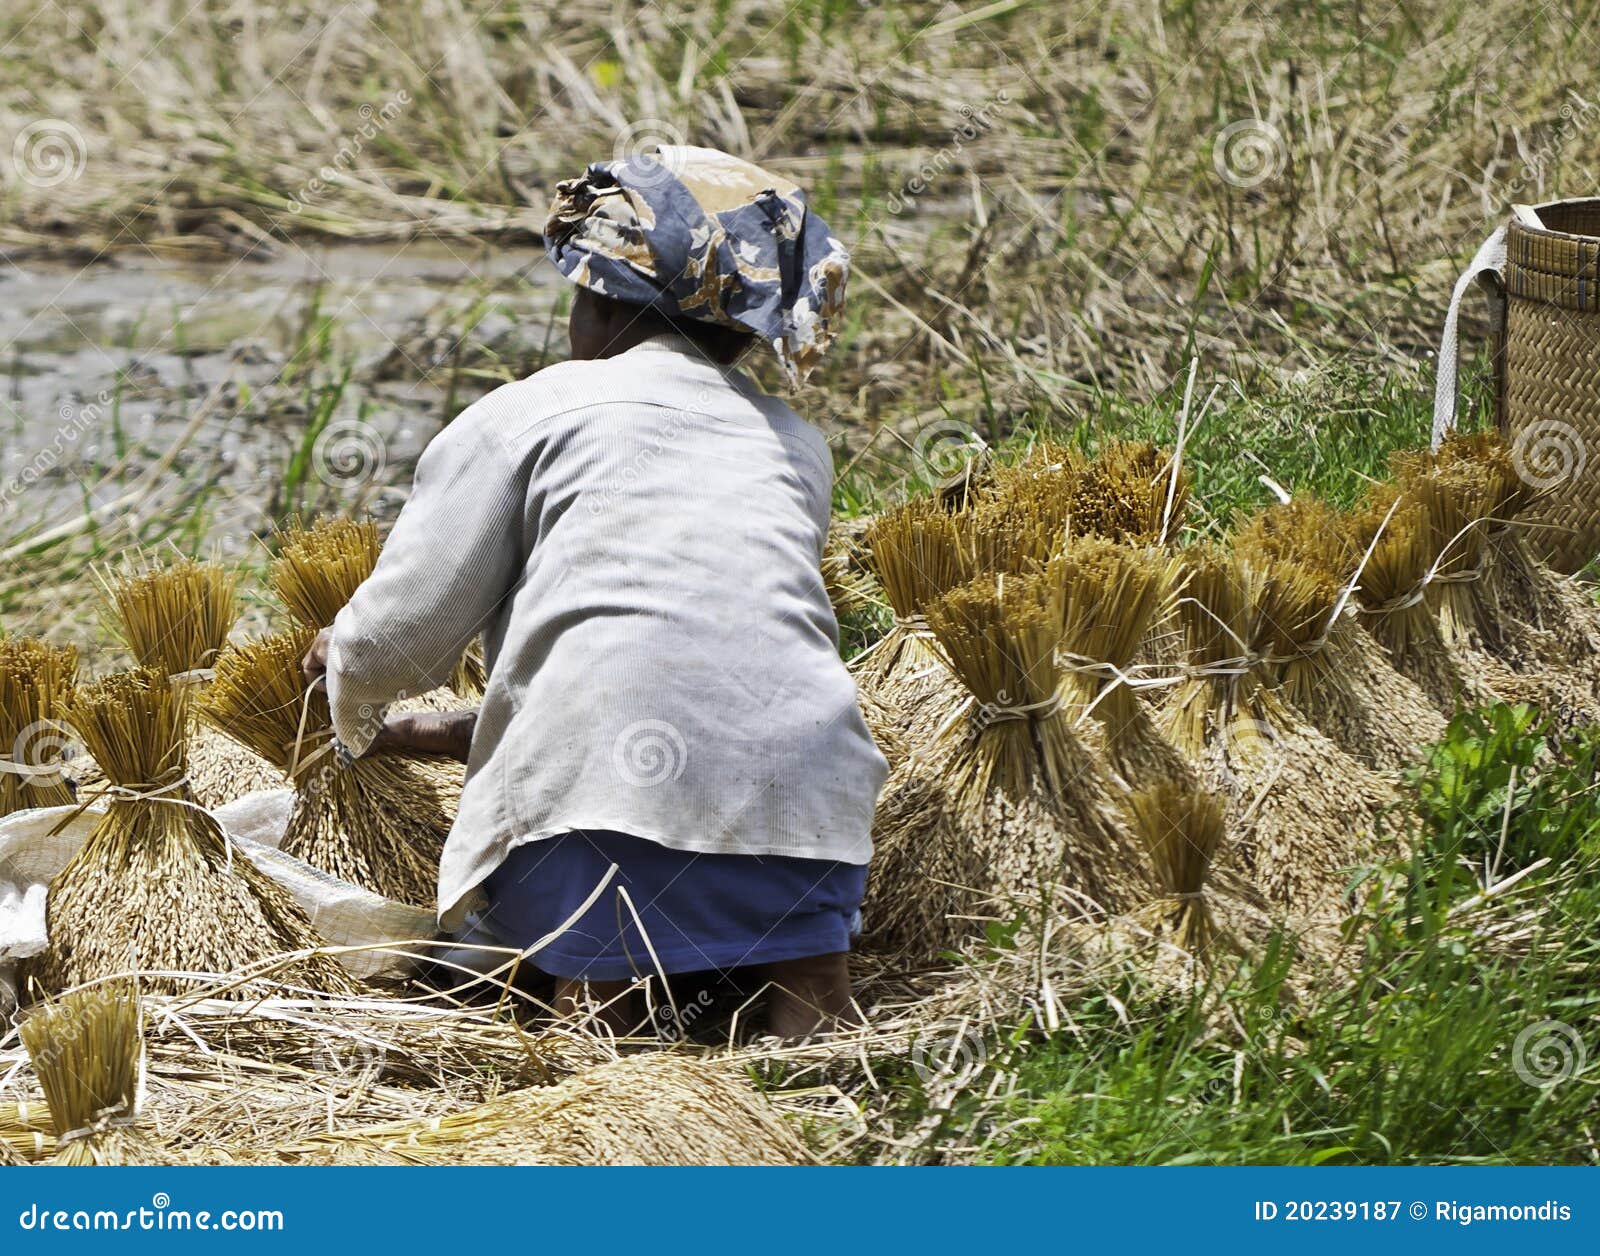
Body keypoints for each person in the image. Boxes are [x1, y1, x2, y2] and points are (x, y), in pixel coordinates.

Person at [301, 144, 887, 1039]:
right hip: (812, 809)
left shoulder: (535, 411)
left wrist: (344, 660)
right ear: (745, 334)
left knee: (590, 1012)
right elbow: (704, 659)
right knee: (805, 1003)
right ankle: (817, 1047)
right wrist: (436, 733)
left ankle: (610, 1083)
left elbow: (407, 633)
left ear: (599, 303)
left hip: (616, 812)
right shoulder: (796, 443)